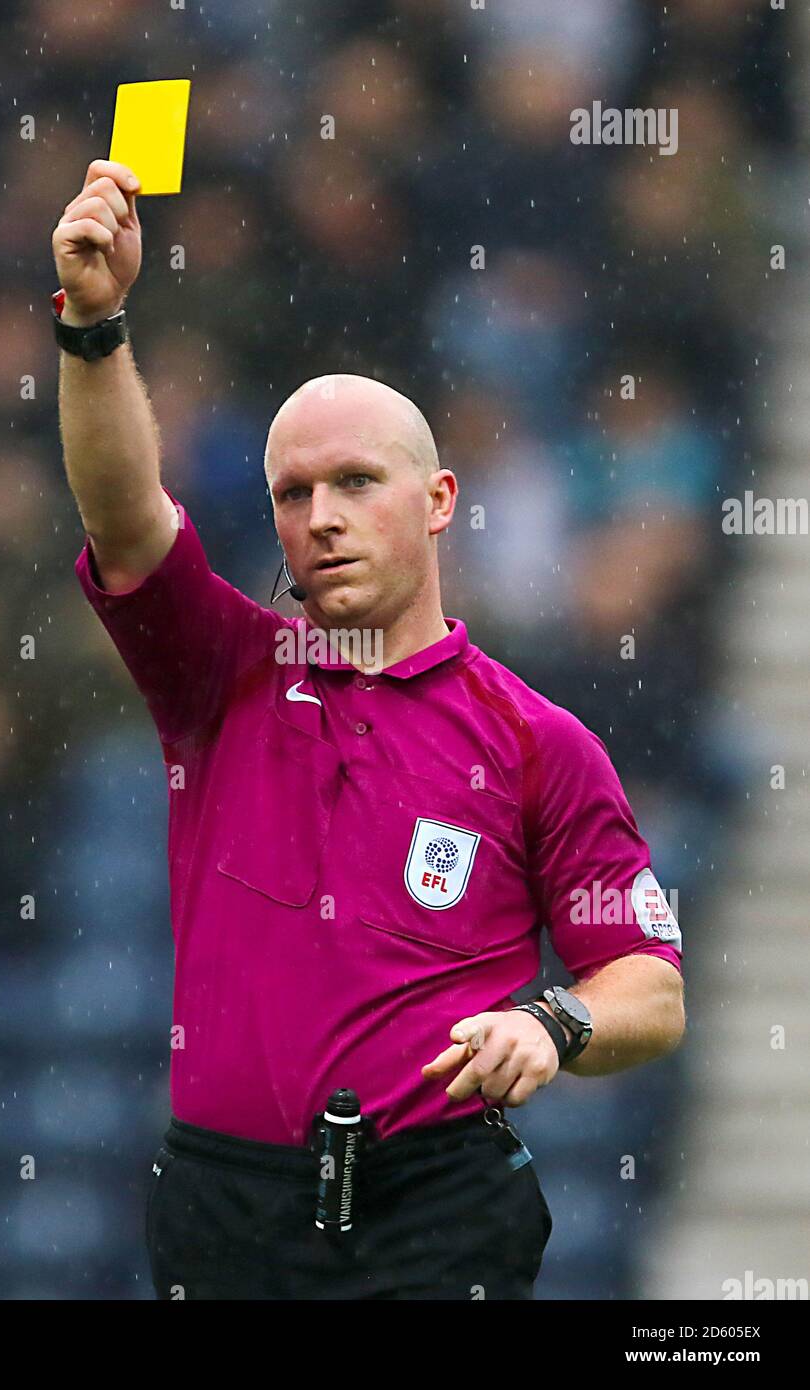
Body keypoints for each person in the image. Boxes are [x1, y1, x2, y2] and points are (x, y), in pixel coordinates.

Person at [51, 159, 686, 1300]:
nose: (322, 518)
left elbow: (648, 982)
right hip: (222, 1208)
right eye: (293, 494)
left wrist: (555, 1022)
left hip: (433, 1209)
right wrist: (96, 327)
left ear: (438, 500)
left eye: (353, 482)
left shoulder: (538, 739)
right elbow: (123, 512)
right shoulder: (221, 675)